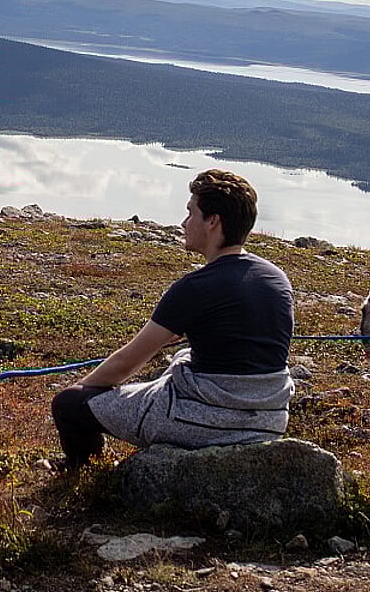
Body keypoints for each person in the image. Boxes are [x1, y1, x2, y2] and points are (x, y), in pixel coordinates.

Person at [51, 169, 294, 468]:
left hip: (209, 421)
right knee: (183, 354)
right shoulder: (277, 278)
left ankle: (86, 472)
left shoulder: (196, 287)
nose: (184, 223)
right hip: (270, 419)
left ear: (213, 221)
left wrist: (83, 390)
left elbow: (127, 363)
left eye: (191, 212)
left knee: (69, 404)